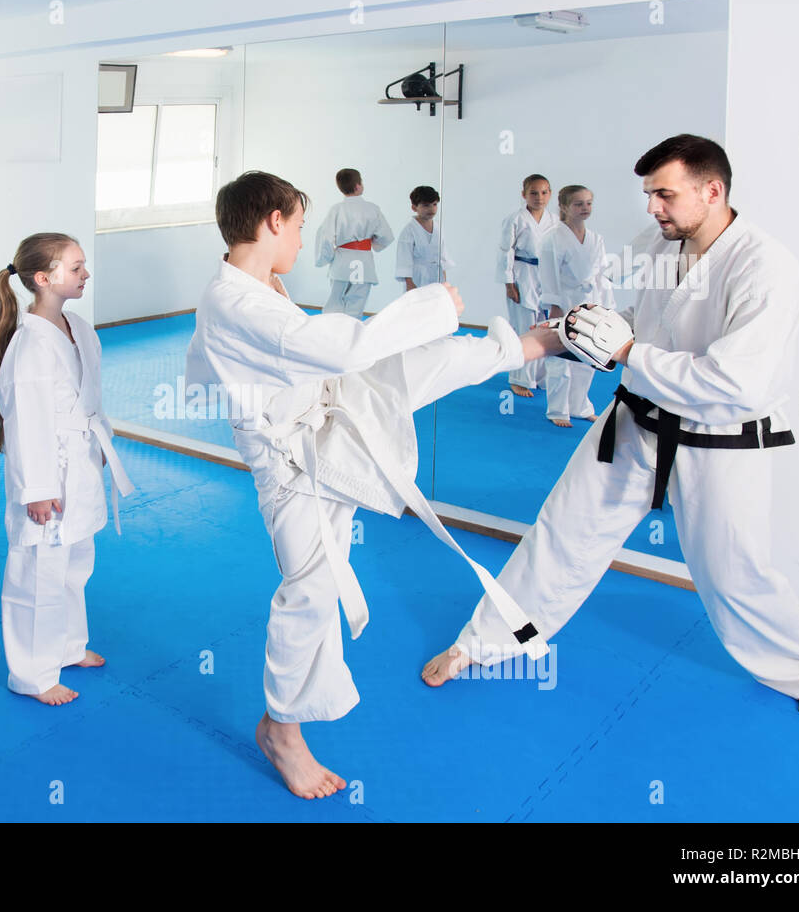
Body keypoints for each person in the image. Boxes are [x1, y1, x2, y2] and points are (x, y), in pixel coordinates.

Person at [423, 135, 799, 718]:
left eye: (665, 194)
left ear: (712, 190)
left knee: (733, 570)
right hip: (634, 420)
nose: (652, 207)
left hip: (717, 442)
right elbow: (646, 325)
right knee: (560, 533)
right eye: (650, 194)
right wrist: (583, 330)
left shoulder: (766, 267)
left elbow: (736, 383)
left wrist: (626, 351)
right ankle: (489, 641)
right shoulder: (658, 243)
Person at [186, 171, 563, 799]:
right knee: (308, 590)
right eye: (300, 226)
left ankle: (525, 346)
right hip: (290, 463)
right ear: (274, 222)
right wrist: (435, 305)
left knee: (406, 373)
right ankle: (281, 728)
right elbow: (338, 348)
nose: (304, 240)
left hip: (319, 427)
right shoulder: (234, 299)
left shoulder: (257, 286)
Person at [0, 233, 133, 706]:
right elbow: (26, 423)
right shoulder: (30, 345)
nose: (85, 274)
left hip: (81, 461)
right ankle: (32, 673)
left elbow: (88, 398)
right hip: (48, 471)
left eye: (84, 265)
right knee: (39, 573)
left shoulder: (78, 328)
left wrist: (101, 442)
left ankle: (68, 646)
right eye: (75, 267)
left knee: (74, 566)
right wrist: (37, 489)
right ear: (43, 279)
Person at [538, 185, 615, 427]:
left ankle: (580, 406)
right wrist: (555, 306)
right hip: (564, 301)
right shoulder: (552, 238)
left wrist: (607, 305)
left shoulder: (596, 238)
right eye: (578, 204)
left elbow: (602, 274)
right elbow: (548, 276)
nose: (585, 208)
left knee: (587, 357)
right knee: (560, 358)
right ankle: (558, 409)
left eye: (589, 203)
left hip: (591, 303)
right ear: (563, 207)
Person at [498, 174, 557, 397]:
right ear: (524, 195)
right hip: (522, 274)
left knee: (545, 326)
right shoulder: (515, 219)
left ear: (550, 194)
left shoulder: (555, 220)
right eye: (533, 192)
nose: (539, 197)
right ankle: (519, 378)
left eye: (544, 192)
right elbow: (505, 251)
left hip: (547, 275)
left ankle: (540, 377)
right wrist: (509, 283)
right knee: (523, 325)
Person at [314, 168, 395, 317]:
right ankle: (352, 336)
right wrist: (372, 243)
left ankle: (330, 335)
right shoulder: (373, 209)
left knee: (334, 302)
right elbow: (386, 236)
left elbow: (325, 237)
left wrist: (327, 257)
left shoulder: (337, 209)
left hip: (342, 261)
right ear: (358, 186)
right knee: (356, 304)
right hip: (364, 261)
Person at [394, 185, 453, 291]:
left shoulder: (438, 227)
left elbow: (442, 256)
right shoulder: (409, 230)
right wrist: (409, 283)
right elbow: (404, 259)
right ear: (414, 207)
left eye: (434, 204)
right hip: (417, 277)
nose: (431, 209)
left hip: (436, 276)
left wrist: (444, 281)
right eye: (426, 205)